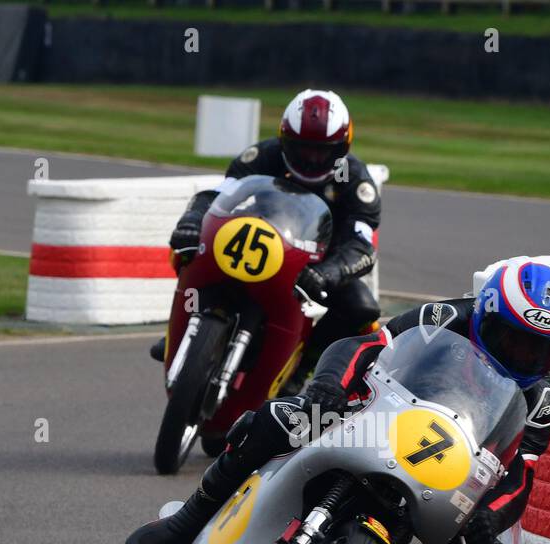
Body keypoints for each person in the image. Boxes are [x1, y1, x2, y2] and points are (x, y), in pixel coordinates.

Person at [128, 258, 550, 544]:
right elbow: (362, 346)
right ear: (486, 315)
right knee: (278, 418)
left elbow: (520, 477)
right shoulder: (444, 316)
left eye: (541, 348)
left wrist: (490, 518)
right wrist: (328, 390)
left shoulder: (539, 403)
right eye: (514, 339)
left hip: (443, 480)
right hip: (371, 419)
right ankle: (183, 524)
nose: (525, 355)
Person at [150, 88, 382, 367]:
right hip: (261, 239)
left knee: (361, 309)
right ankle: (187, 323)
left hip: (316, 265)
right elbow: (216, 196)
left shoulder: (356, 180)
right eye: (302, 147)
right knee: (188, 247)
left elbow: (362, 244)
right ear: (284, 140)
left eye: (321, 151)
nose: (310, 158)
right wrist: (191, 221)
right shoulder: (262, 155)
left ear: (342, 147)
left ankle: (306, 364)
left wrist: (328, 273)